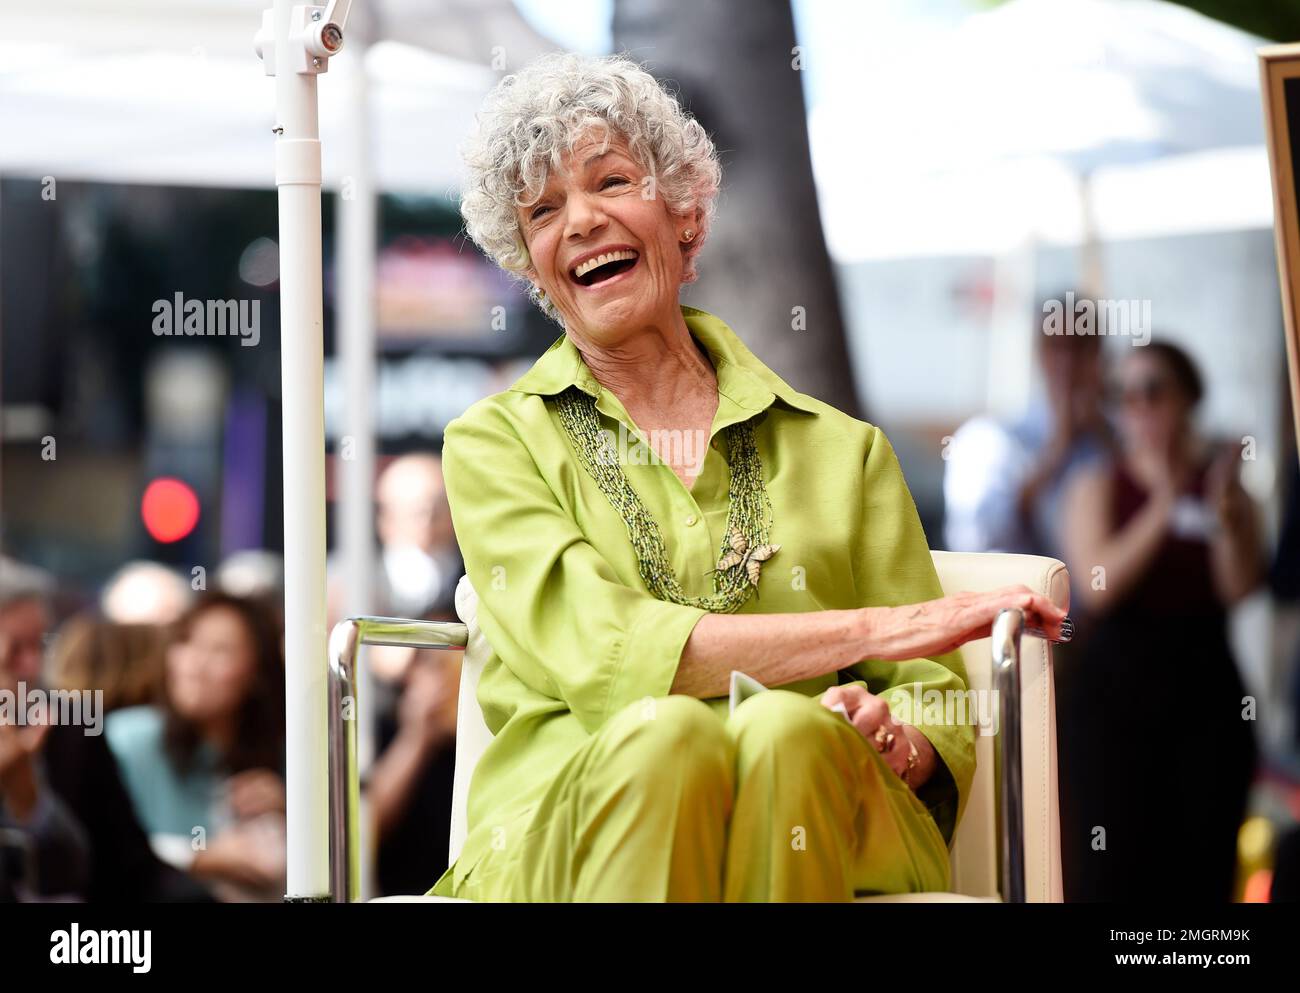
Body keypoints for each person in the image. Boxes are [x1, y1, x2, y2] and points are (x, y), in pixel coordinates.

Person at [426, 52, 1069, 903]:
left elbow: (936, 703)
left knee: (783, 732)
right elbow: (609, 654)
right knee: (664, 738)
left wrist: (898, 738)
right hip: (570, 823)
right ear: (533, 265)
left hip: (827, 811)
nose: (579, 220)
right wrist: (888, 626)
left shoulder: (845, 452)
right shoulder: (495, 443)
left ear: (685, 215)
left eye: (610, 182)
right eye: (543, 210)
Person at [1058, 341, 1260, 901]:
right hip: (1116, 703)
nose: (1137, 406)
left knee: (1201, 871)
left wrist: (1227, 512)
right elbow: (1098, 587)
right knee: (1112, 871)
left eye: (1152, 390)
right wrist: (1165, 501)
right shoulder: (1096, 484)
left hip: (1206, 699)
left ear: (1187, 398)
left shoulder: (1223, 487)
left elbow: (1238, 586)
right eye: (1123, 394)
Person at [0, 557, 212, 902]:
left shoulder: (73, 725)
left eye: (39, 645)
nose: (32, 666)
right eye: (15, 650)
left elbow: (118, 865)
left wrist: (30, 800)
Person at [106, 593, 287, 901]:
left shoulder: (285, 755)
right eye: (186, 641)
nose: (194, 664)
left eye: (220, 651)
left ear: (257, 671)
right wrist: (200, 858)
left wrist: (292, 811)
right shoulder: (127, 739)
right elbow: (105, 850)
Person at [944, 292, 1112, 567]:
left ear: (1099, 354)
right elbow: (977, 541)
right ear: (1038, 351)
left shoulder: (1119, 438)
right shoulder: (989, 440)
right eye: (1056, 346)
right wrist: (1056, 452)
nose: (1067, 362)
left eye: (1081, 347)